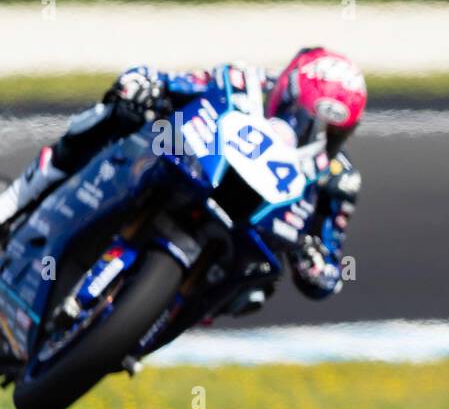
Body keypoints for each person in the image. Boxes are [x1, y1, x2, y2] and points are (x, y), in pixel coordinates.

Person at [0, 46, 365, 302]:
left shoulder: (337, 177)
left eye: (334, 134)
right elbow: (172, 83)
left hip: (236, 241)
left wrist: (313, 258)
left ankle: (139, 325)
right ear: (286, 95)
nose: (315, 137)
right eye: (307, 120)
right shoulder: (243, 81)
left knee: (255, 289)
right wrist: (144, 86)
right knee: (117, 116)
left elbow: (329, 274)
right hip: (189, 169)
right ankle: (12, 203)